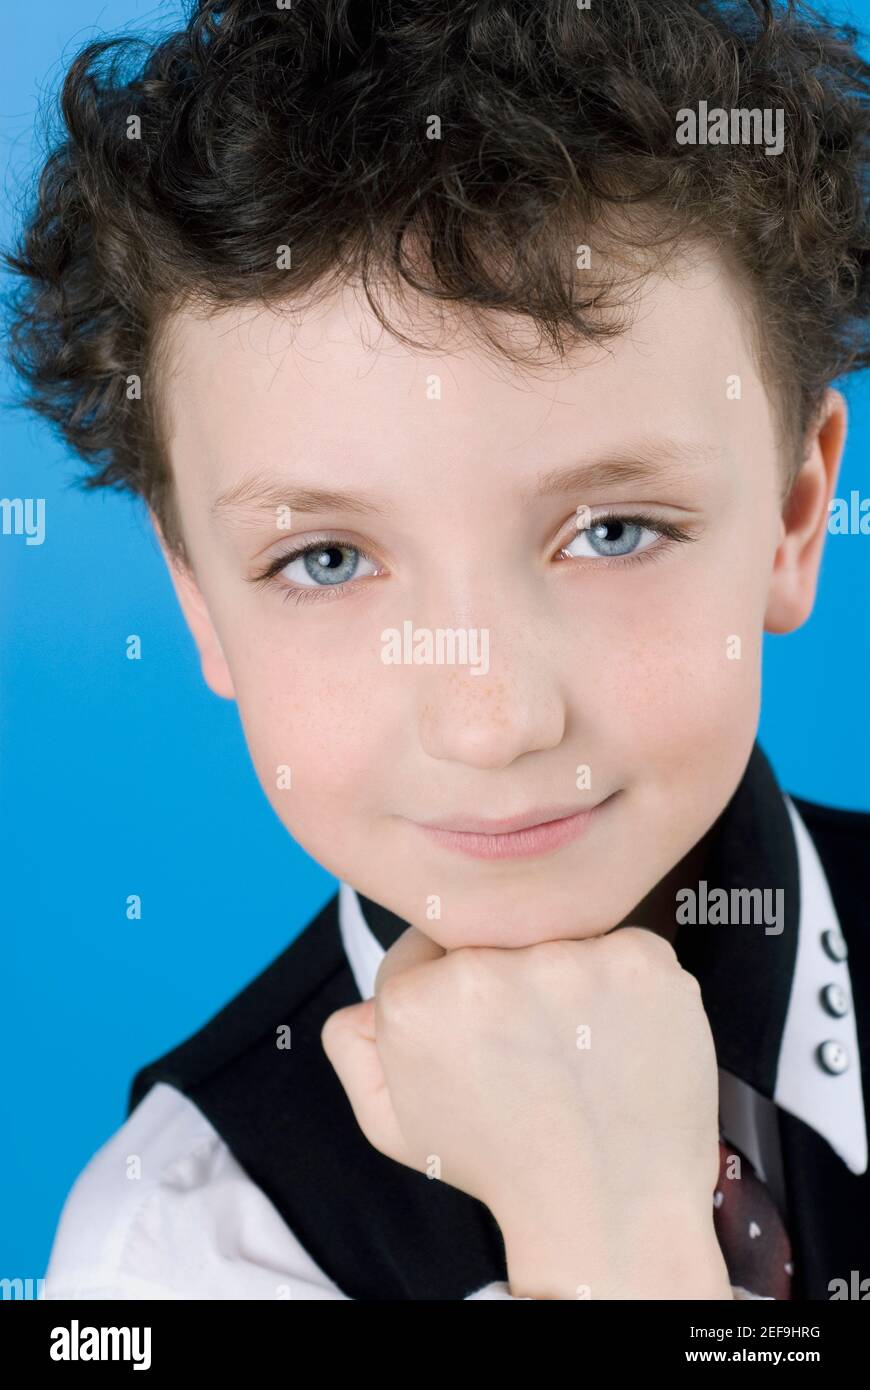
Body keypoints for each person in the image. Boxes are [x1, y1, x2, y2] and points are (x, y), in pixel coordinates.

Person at [6, 0, 869, 1299]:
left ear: (795, 515)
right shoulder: (186, 1248)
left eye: (614, 529)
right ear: (196, 600)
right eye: (327, 560)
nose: (492, 719)